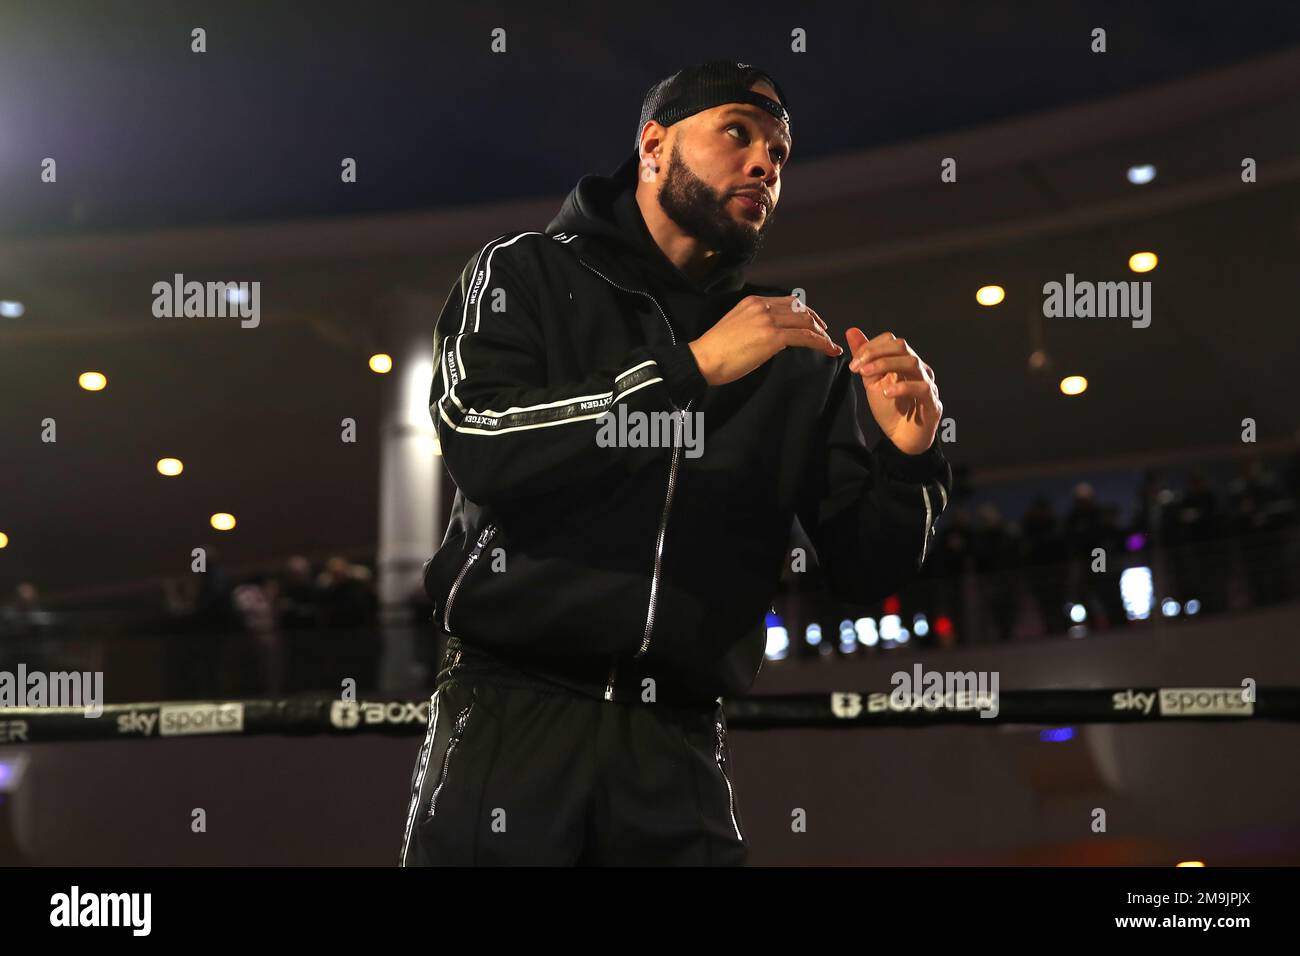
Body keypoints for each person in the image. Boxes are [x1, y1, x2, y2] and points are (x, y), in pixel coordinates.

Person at [401, 60, 953, 866]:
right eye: (739, 132)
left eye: (780, 152)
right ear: (653, 145)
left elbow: (865, 568)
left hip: (681, 746)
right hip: (509, 717)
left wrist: (909, 459)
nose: (765, 164)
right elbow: (484, 443)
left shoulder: (793, 349)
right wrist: (687, 371)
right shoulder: (525, 272)